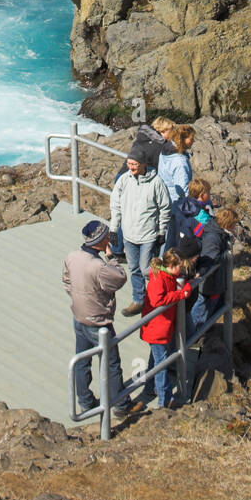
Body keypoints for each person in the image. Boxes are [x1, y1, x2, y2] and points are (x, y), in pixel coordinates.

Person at [62, 219, 140, 418]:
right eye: (106, 236)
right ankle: (121, 404)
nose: (109, 239)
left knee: (82, 362)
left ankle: (86, 403)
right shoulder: (98, 266)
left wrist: (77, 297)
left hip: (79, 317)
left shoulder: (72, 257)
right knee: (111, 363)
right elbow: (120, 278)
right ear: (99, 240)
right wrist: (111, 257)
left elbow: (66, 280)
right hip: (99, 322)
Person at [109, 143, 171, 316]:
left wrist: (161, 232)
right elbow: (115, 205)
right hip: (129, 235)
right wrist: (114, 230)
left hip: (148, 235)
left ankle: (158, 295)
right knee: (134, 269)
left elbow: (165, 207)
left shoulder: (157, 182)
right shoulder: (123, 180)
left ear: (143, 163)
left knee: (146, 269)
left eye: (134, 164)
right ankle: (139, 300)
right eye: (129, 164)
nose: (131, 168)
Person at [139, 249, 195, 409]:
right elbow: (158, 301)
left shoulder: (167, 276)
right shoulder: (159, 279)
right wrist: (181, 294)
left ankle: (150, 388)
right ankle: (165, 400)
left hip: (160, 327)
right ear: (171, 265)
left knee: (156, 360)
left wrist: (184, 287)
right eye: (180, 267)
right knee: (161, 364)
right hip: (157, 328)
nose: (182, 270)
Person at [176, 205, 238, 336]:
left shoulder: (217, 232)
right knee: (200, 311)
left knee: (204, 310)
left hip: (214, 281)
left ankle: (195, 334)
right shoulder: (213, 237)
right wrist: (228, 254)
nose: (235, 228)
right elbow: (212, 257)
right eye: (234, 225)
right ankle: (190, 336)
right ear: (228, 224)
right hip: (209, 283)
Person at [157, 125, 195, 246]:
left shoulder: (166, 150)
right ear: (183, 139)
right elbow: (182, 189)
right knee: (173, 238)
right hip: (175, 202)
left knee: (168, 233)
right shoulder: (180, 162)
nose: (193, 141)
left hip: (164, 196)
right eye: (191, 138)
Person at [171, 177, 214, 254]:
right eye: (208, 192)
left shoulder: (183, 205)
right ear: (202, 195)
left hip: (180, 243)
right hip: (195, 248)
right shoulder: (200, 213)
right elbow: (210, 228)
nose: (210, 195)